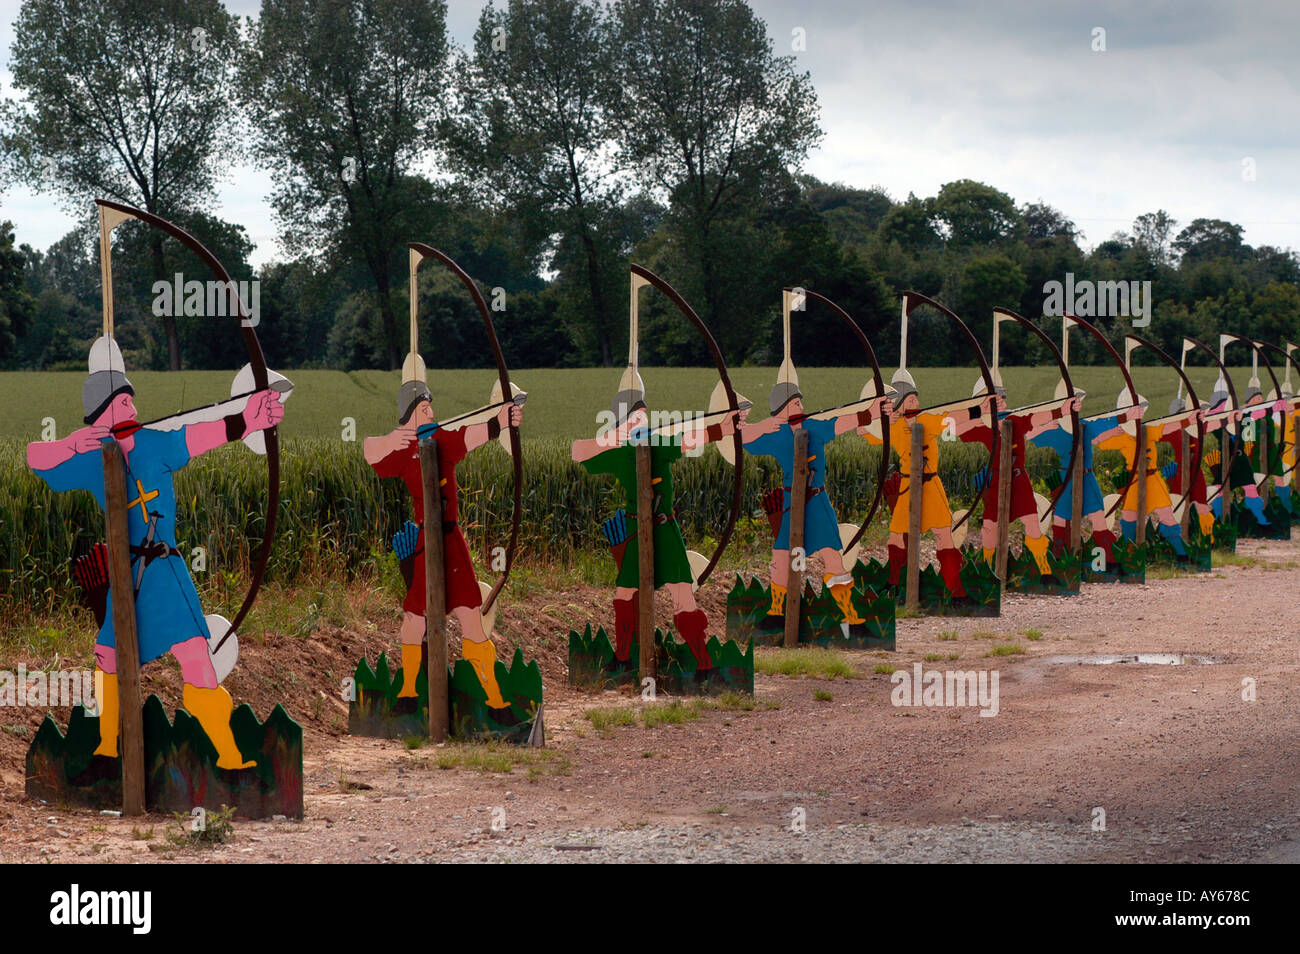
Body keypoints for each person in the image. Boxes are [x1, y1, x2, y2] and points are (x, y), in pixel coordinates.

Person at [26, 338, 283, 770]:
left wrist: (248, 419)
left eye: (129, 400)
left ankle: (229, 757)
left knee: (196, 658)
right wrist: (72, 444)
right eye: (120, 402)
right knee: (109, 657)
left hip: (163, 568)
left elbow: (199, 435)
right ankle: (108, 751)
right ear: (100, 416)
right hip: (126, 574)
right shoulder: (92, 457)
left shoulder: (152, 444)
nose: (130, 406)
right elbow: (35, 458)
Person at [364, 380, 522, 709]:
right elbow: (370, 453)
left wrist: (499, 422)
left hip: (450, 540)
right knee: (413, 623)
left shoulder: (441, 440)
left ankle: (495, 701)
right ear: (410, 414)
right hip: (426, 542)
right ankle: (408, 695)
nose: (432, 414)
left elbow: (469, 435)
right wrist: (392, 439)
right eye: (424, 409)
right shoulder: (404, 449)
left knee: (470, 618)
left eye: (430, 408)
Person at [570, 387, 742, 672]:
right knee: (624, 593)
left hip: (663, 529)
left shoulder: (658, 444)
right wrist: (612, 437)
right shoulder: (619, 451)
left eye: (644, 417)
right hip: (635, 531)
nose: (644, 422)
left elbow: (687, 440)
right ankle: (623, 658)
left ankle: (704, 665)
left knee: (682, 595)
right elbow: (577, 452)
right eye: (636, 418)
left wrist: (721, 429)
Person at [740, 381, 888, 626]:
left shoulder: (812, 427)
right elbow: (743, 440)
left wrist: (870, 412)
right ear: (783, 408)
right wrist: (762, 425)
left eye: (800, 402)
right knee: (780, 557)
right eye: (796, 403)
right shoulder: (775, 433)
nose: (802, 406)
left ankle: (851, 616)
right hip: (791, 503)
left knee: (832, 557)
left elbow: (840, 423)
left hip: (816, 501)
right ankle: (776, 613)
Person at [860, 379, 985, 603]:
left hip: (931, 486)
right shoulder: (892, 426)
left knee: (944, 535)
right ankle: (894, 585)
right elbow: (863, 431)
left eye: (916, 399)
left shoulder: (926, 419)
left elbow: (949, 419)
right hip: (907, 486)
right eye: (911, 399)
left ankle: (956, 593)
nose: (916, 403)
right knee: (897, 536)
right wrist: (880, 417)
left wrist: (977, 410)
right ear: (899, 404)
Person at [960, 379, 1075, 578]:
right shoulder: (983, 427)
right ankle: (987, 570)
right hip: (996, 481)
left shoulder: (1015, 420)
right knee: (989, 527)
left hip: (1018, 478)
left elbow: (1035, 418)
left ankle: (1043, 570)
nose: (1001, 404)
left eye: (1002, 400)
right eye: (995, 402)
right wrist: (977, 415)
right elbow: (956, 430)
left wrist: (1061, 411)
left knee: (1032, 523)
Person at [1029, 387, 1140, 564]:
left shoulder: (1085, 426)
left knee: (1098, 517)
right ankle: (1059, 560)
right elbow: (1027, 434)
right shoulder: (1055, 429)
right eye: (1074, 401)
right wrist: (1045, 426)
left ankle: (1108, 562)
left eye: (1079, 401)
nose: (1079, 404)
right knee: (1061, 519)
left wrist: (1126, 416)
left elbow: (1104, 422)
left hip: (1086, 477)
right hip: (1066, 478)